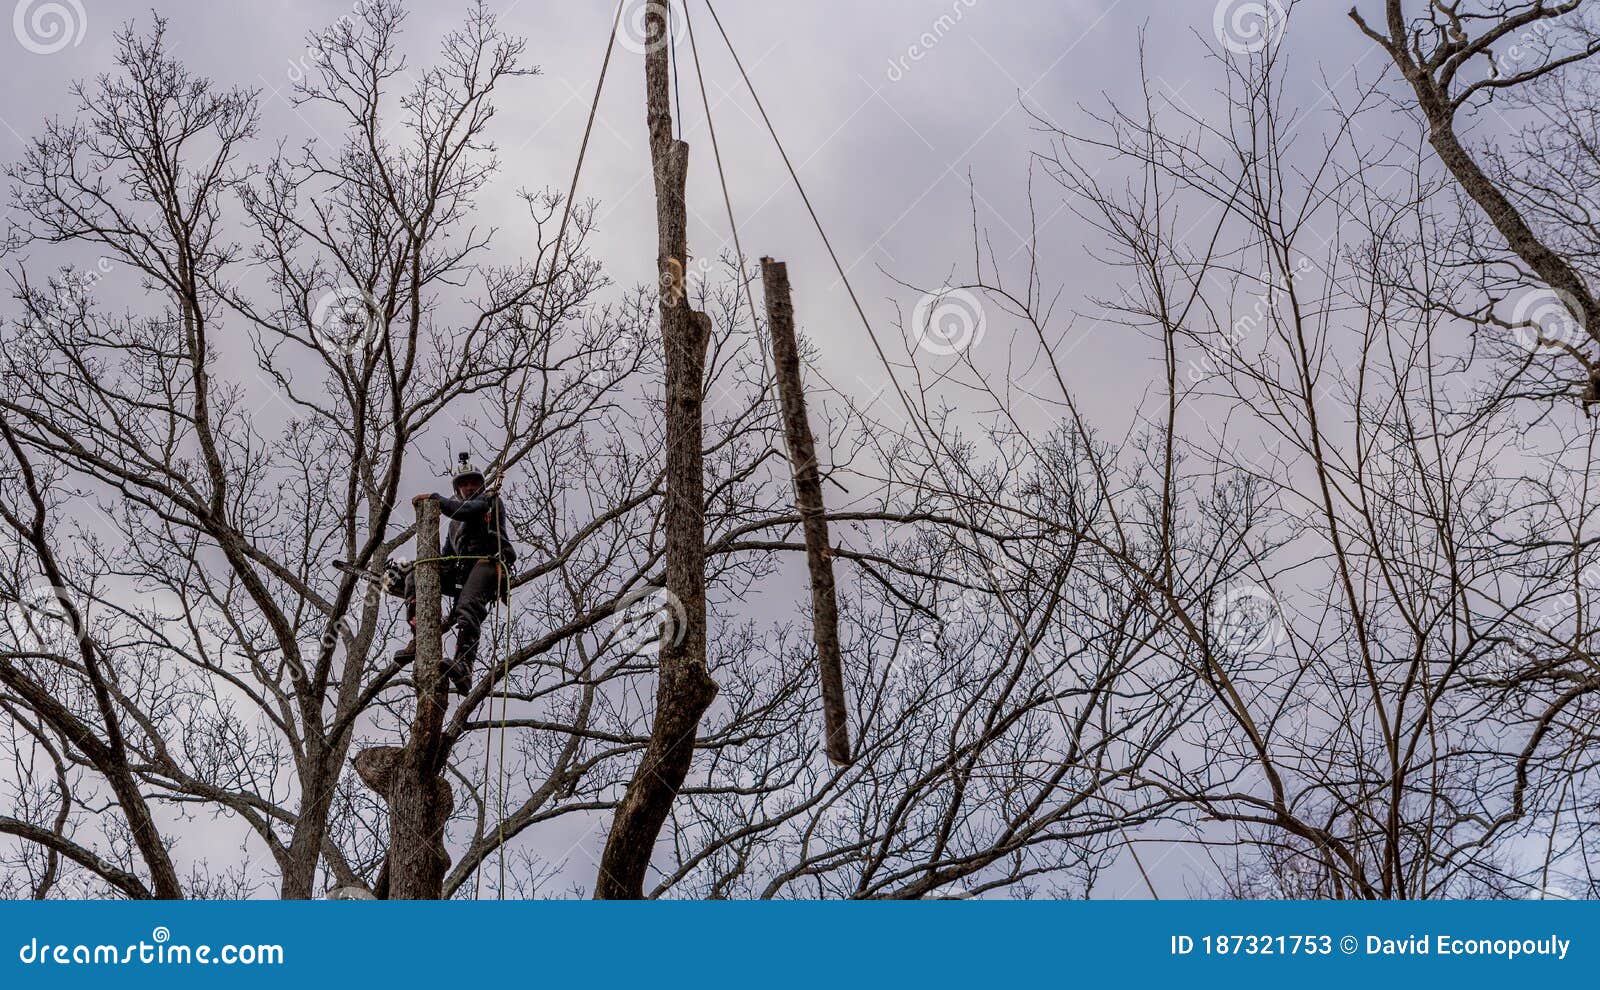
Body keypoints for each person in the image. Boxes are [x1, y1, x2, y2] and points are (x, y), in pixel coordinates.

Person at [394, 454, 516, 694]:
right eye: (464, 484)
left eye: (473, 483)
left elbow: (464, 510)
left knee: (468, 606)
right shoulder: (453, 525)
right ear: (458, 488)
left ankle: (464, 668)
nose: (469, 487)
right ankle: (419, 636)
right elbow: (446, 556)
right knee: (417, 574)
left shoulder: (488, 500)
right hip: (463, 571)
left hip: (488, 564)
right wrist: (412, 568)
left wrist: (436, 499)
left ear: (480, 485)